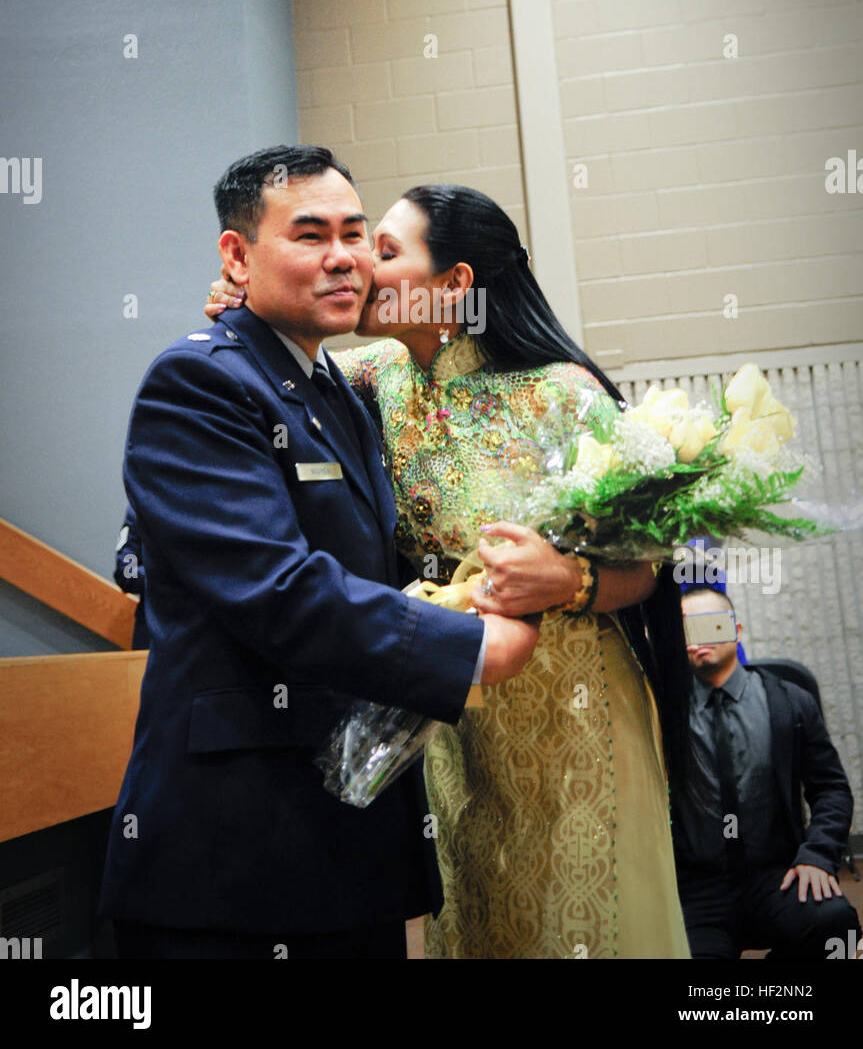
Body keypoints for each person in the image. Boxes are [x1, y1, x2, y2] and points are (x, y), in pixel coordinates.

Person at [208, 181, 693, 959]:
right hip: (448, 711)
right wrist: (247, 303)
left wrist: (571, 581)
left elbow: (648, 566)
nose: (361, 263)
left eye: (386, 250)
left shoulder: (559, 395)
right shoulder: (368, 384)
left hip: (573, 713)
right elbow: (265, 387)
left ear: (454, 284)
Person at [101, 147, 539, 961]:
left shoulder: (334, 387)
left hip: (338, 833)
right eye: (309, 236)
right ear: (236, 256)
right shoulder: (198, 384)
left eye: (353, 234)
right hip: (236, 854)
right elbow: (278, 589)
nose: (343, 258)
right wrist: (468, 645)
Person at [674, 587, 861, 959]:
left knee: (836, 924)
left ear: (736, 630)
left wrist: (817, 855)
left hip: (775, 873)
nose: (699, 643)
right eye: (687, 633)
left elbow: (831, 790)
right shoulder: (662, 713)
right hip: (698, 889)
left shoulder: (789, 702)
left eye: (711, 626)